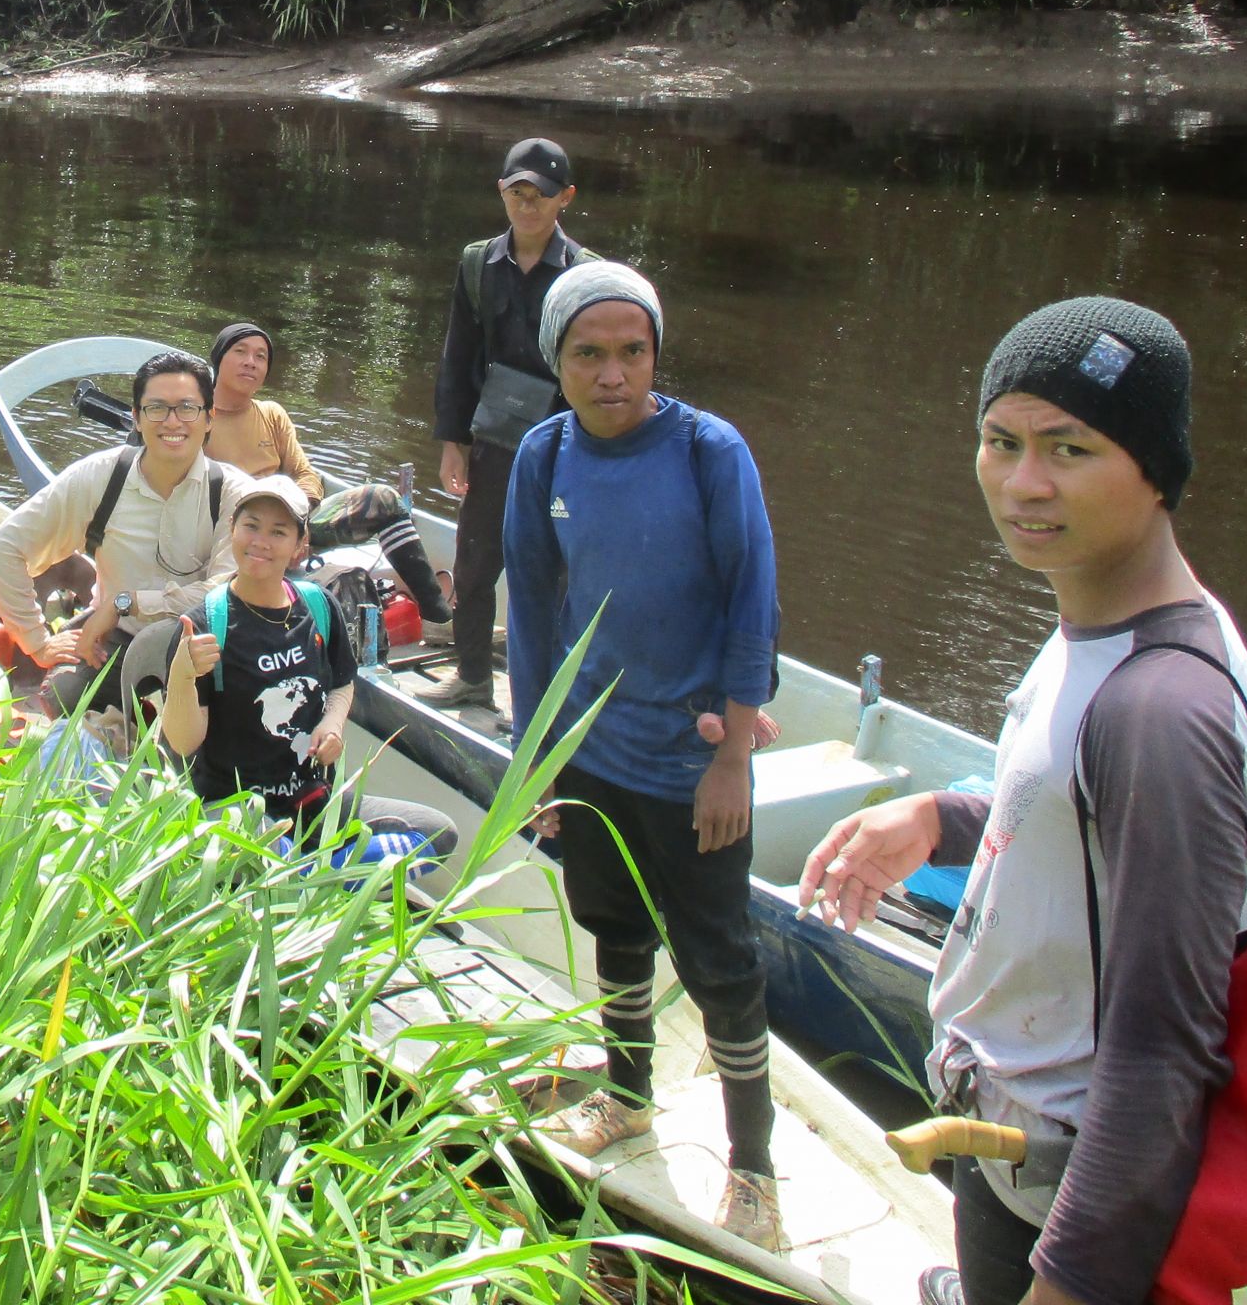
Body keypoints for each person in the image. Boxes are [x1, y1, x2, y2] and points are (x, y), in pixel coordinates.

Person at [799, 299, 1247, 1305]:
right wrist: (942, 818)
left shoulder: (1162, 708)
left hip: (1066, 1185)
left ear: (1154, 468)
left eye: (1069, 448)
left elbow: (1162, 1059)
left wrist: (1064, 1286)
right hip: (1010, 1151)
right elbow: (1085, 819)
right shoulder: (1102, 620)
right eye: (1000, 440)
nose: (1023, 483)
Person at [505, 260, 785, 1251]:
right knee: (613, 926)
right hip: (589, 752)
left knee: (720, 962)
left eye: (632, 352)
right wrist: (532, 760)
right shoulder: (542, 460)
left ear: (655, 356)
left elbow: (753, 601)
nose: (612, 373)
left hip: (689, 761)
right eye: (589, 353)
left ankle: (753, 1170)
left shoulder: (711, 452)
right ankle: (627, 1096)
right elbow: (535, 616)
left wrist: (735, 757)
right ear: (558, 361)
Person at [155, 474, 459, 859]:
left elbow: (342, 683)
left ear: (300, 545)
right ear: (231, 530)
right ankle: (311, 872)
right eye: (251, 526)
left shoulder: (317, 605)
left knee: (438, 834)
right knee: (268, 850)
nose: (261, 542)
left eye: (278, 532)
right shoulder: (204, 624)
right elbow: (184, 742)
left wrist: (331, 726)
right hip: (238, 810)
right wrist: (183, 675)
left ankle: (314, 873)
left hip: (313, 799)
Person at [423, 136, 595, 709]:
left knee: (554, 574)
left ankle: (546, 694)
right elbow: (458, 355)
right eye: (518, 192)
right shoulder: (478, 263)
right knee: (473, 563)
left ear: (564, 198)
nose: (528, 205)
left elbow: (598, 366)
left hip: (565, 446)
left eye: (541, 195)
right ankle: (472, 673)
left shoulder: (586, 275)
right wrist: (453, 440)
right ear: (502, 191)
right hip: (494, 439)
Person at [0, 349, 249, 713]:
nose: (173, 422)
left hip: (204, 647)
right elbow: (6, 547)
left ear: (209, 418)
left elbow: (226, 594)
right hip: (116, 637)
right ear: (137, 418)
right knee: (65, 700)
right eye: (156, 408)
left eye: (187, 408)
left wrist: (126, 602)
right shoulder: (101, 477)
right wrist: (37, 641)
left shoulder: (235, 494)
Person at [204, 320, 454, 627]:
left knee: (383, 499)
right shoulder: (197, 420)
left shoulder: (271, 413)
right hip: (233, 532)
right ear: (218, 359)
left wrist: (298, 521)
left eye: (261, 357)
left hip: (295, 522)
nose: (250, 362)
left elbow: (306, 476)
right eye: (240, 351)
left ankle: (437, 616)